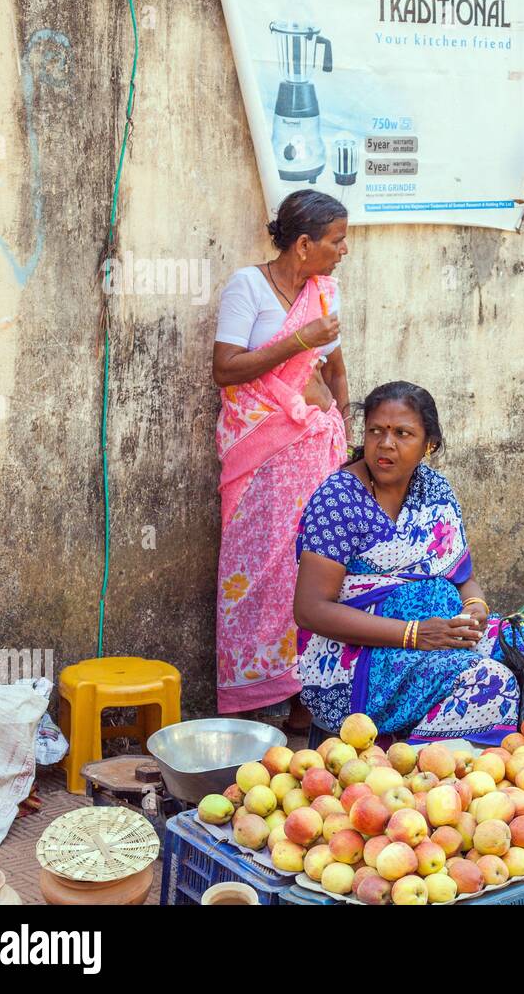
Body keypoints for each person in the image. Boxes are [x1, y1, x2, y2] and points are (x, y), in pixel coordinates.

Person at [293, 382, 524, 743]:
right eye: (376, 431)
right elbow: (310, 609)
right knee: (486, 680)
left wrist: (475, 608)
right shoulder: (338, 498)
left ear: (428, 444)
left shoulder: (435, 491)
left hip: (442, 637)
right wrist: (414, 635)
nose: (385, 444)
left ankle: (507, 762)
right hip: (360, 661)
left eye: (402, 433)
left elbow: (463, 579)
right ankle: (416, 770)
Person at [213, 190, 350, 717]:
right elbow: (226, 369)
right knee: (256, 572)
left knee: (310, 568)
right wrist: (298, 342)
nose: (343, 250)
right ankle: (247, 701)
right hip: (261, 454)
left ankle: (302, 700)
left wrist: (339, 426)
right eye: (336, 240)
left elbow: (335, 370)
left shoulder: (324, 293)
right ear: (302, 244)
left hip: (315, 454)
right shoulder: (247, 287)